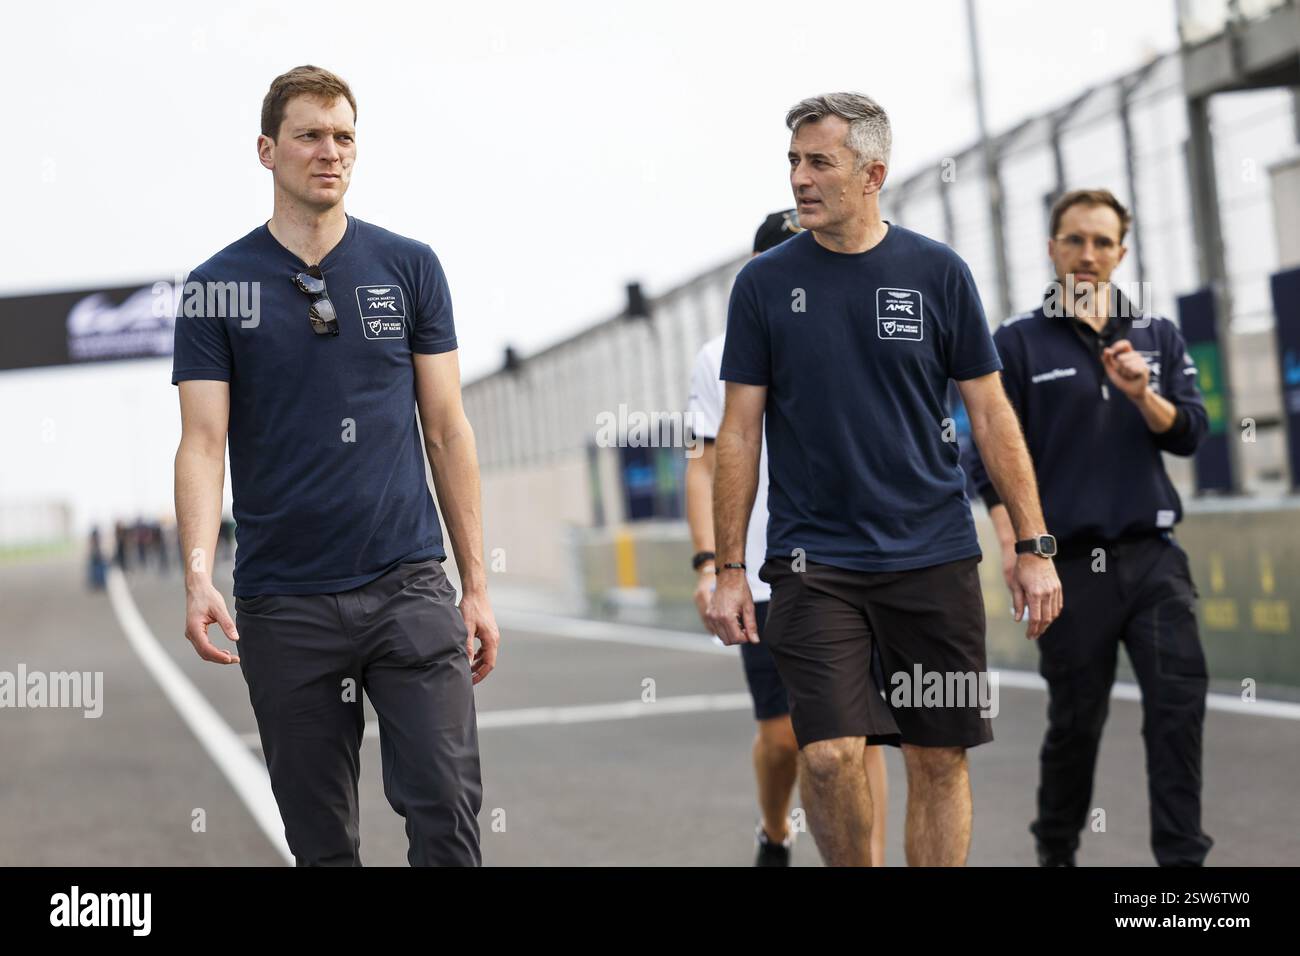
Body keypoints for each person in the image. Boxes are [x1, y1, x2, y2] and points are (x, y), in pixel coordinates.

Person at [709, 92, 1062, 867]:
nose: (799, 179)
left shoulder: (937, 273)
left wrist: (1033, 543)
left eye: (817, 162)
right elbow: (736, 433)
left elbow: (993, 414)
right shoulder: (763, 286)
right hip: (813, 565)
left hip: (931, 557)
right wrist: (730, 568)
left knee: (937, 755)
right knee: (831, 755)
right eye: (793, 162)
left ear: (872, 173)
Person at [171, 65, 498, 866]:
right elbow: (202, 442)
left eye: (344, 136)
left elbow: (448, 430)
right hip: (286, 602)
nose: (330, 152)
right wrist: (198, 573)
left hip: (409, 586)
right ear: (267, 149)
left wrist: (477, 582)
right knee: (322, 845)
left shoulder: (410, 266)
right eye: (311, 135)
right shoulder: (215, 288)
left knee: (450, 813)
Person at [964, 188, 1213, 867]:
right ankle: (1056, 853)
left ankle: (1182, 871)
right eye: (1074, 239)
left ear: (1121, 253)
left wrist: (1143, 394)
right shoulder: (1014, 342)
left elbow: (1192, 434)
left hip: (1154, 558)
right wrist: (1015, 545)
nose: (1088, 254)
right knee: (1076, 724)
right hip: (1067, 566)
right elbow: (984, 457)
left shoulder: (1156, 333)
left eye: (1103, 242)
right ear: (1052, 248)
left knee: (1177, 710)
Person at [687, 209, 889, 866]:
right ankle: (776, 831)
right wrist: (712, 564)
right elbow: (705, 464)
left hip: (858, 564)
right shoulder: (720, 356)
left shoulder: (856, 336)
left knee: (859, 738)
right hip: (766, 570)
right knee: (783, 740)